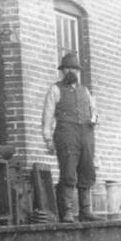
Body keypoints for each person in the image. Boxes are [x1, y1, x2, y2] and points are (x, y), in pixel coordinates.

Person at [42, 52, 99, 223]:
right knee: (68, 172)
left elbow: (94, 111)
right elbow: (47, 115)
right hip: (66, 134)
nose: (71, 72)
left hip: (86, 135)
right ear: (62, 71)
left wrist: (95, 118)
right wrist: (48, 139)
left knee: (87, 170)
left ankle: (85, 211)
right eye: (68, 69)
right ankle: (66, 212)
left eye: (74, 69)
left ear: (78, 71)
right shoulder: (55, 89)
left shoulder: (86, 91)